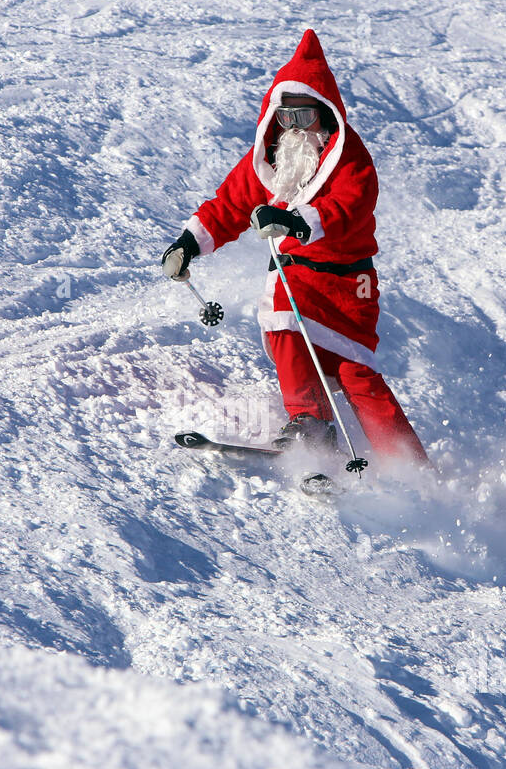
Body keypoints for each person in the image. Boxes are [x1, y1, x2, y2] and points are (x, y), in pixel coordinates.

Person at [161, 29, 429, 466]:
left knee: (354, 372)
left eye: (305, 119)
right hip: (294, 274)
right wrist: (189, 244)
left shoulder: (351, 160)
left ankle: (408, 464)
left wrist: (291, 219)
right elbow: (229, 204)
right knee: (284, 330)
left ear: (326, 117)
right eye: (286, 119)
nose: (295, 130)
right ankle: (311, 423)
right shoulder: (273, 157)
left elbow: (348, 208)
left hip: (346, 284)